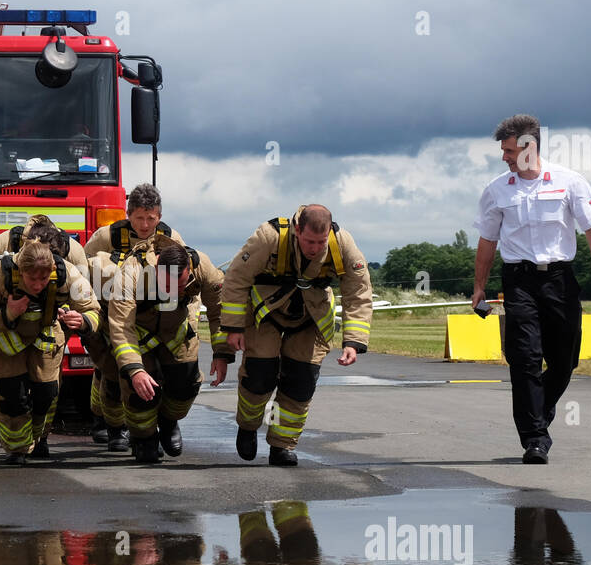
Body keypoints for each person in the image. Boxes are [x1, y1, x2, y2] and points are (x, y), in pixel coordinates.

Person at [471, 114, 591, 465]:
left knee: (565, 360)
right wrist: (479, 287)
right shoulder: (496, 190)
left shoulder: (570, 183)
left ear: (529, 147)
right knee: (523, 359)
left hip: (559, 280)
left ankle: (539, 405)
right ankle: (534, 438)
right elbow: (487, 241)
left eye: (508, 150)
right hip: (518, 281)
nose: (504, 157)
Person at [221, 204, 373, 466]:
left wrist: (354, 342)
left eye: (320, 241)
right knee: (260, 374)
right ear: (296, 230)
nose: (314, 248)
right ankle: (248, 426)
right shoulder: (269, 237)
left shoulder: (343, 243)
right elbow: (236, 278)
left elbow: (358, 291)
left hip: (310, 316)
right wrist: (233, 327)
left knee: (300, 382)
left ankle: (281, 446)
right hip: (265, 312)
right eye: (309, 241)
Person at [108, 236, 233, 462]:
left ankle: (168, 422)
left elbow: (218, 311)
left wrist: (222, 352)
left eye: (179, 286)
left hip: (176, 332)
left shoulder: (202, 266)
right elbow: (121, 326)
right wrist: (135, 370)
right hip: (139, 336)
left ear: (188, 270)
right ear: (156, 268)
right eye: (166, 286)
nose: (173, 293)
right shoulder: (131, 273)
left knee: (186, 384)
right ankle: (144, 438)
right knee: (140, 393)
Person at [82, 184, 184, 450]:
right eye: (139, 218)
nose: (145, 224)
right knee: (110, 370)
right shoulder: (107, 236)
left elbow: (183, 272)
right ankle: (106, 423)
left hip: (151, 314)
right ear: (129, 214)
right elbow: (82, 271)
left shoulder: (171, 237)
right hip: (112, 311)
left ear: (159, 216)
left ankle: (162, 424)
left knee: (157, 371)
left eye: (151, 218)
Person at [0, 240, 101, 464]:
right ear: (20, 271)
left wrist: (83, 320)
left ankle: (37, 438)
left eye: (43, 279)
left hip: (44, 336)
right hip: (4, 339)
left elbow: (93, 310)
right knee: (11, 398)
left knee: (47, 394)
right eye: (32, 279)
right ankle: (17, 448)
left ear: (52, 271)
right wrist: (7, 314)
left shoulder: (68, 274)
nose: (38, 285)